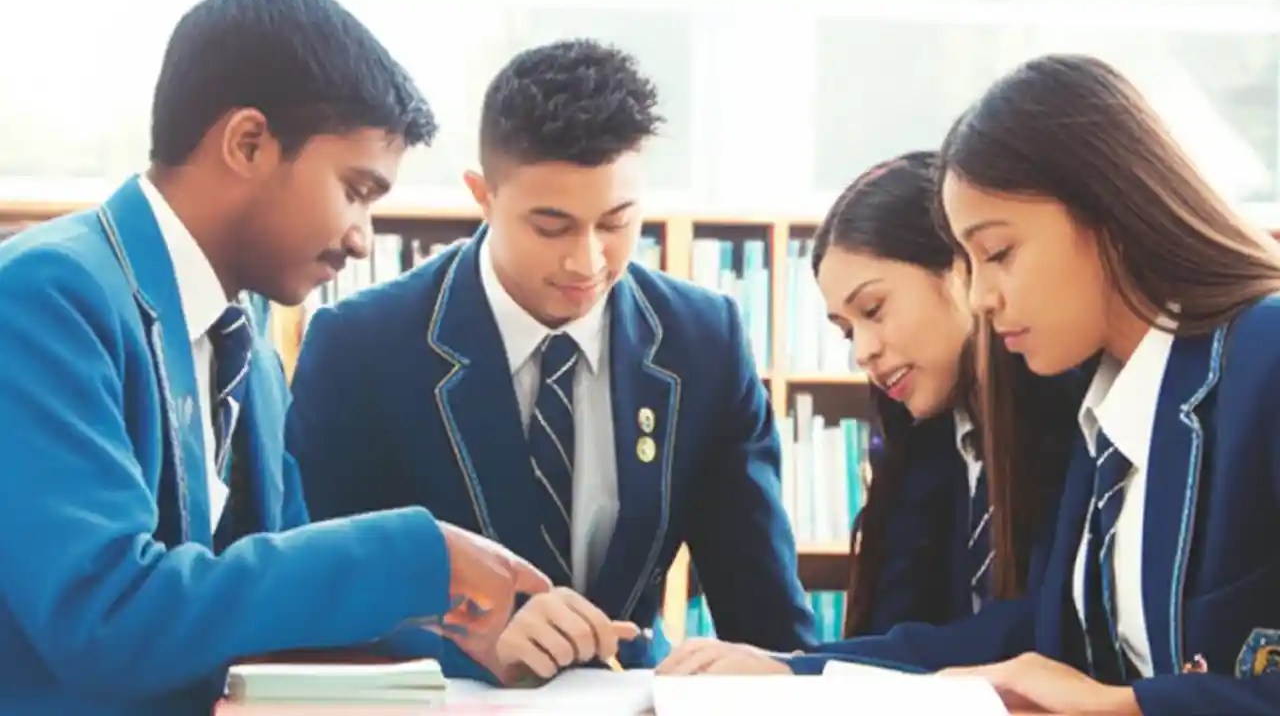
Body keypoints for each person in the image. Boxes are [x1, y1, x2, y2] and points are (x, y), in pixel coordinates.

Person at [674, 53, 1280, 715]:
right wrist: (805, 672)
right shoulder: (1107, 423)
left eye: (998, 255)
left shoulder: (1263, 359)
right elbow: (1036, 641)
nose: (983, 299)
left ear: (1107, 209)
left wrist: (1126, 705)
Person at [0, 0, 550, 714]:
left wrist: (473, 640)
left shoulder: (247, 341)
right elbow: (105, 616)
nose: (360, 238)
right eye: (355, 192)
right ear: (248, 143)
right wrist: (415, 555)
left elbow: (271, 606)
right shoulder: (46, 296)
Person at [286, 38, 815, 684]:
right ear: (482, 194)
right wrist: (473, 642)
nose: (587, 262)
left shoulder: (704, 343)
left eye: (617, 222)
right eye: (551, 226)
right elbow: (315, 595)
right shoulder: (361, 344)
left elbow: (768, 621)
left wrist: (771, 675)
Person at [655, 152, 1078, 675]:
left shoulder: (1075, 425)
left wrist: (801, 672)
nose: (863, 353)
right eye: (848, 330)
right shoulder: (932, 447)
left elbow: (1034, 634)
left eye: (874, 310)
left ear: (961, 268)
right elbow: (903, 632)